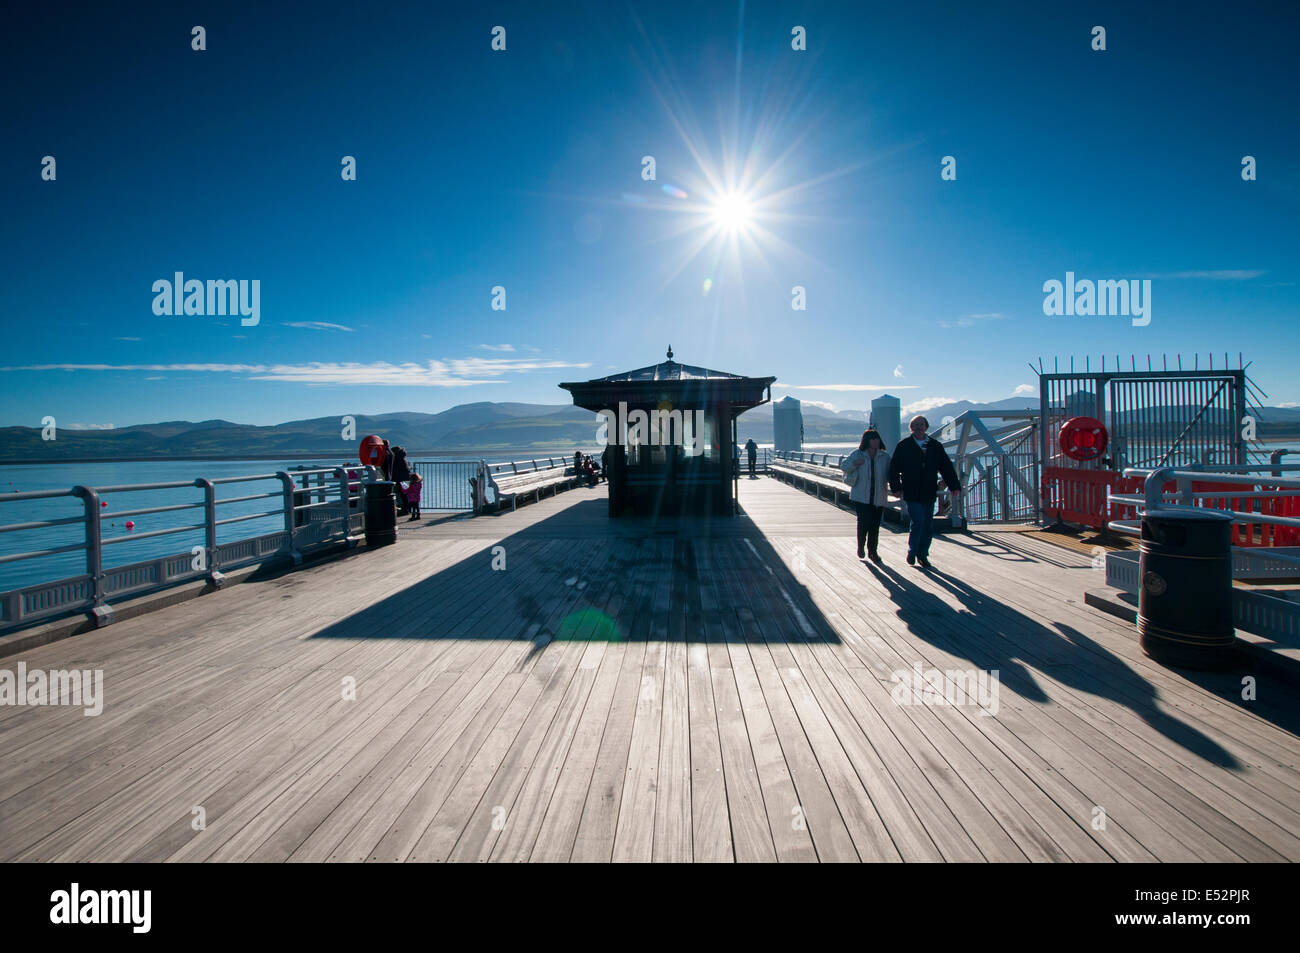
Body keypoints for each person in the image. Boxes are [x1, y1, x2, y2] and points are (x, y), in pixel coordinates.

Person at [887, 415, 961, 569]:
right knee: (918, 521)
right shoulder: (904, 445)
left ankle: (923, 554)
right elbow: (893, 468)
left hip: (928, 490)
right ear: (911, 428)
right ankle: (912, 550)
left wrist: (954, 486)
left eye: (921, 424)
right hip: (911, 490)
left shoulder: (935, 446)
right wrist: (896, 488)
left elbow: (946, 467)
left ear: (926, 427)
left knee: (928, 524)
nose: (919, 427)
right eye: (915, 425)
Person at [840, 429, 890, 562]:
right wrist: (856, 463)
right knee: (863, 523)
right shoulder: (857, 454)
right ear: (867, 441)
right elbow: (844, 466)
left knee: (875, 525)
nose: (875, 441)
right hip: (861, 496)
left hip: (878, 495)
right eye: (873, 439)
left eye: (877, 438)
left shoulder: (884, 457)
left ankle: (873, 551)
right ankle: (861, 547)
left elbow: (890, 474)